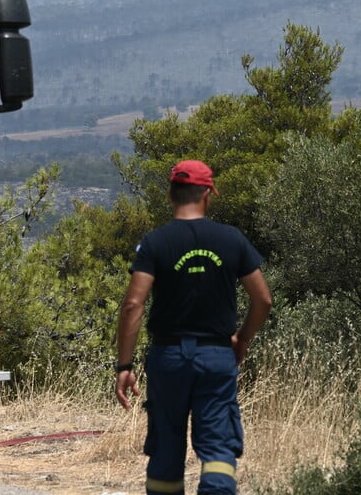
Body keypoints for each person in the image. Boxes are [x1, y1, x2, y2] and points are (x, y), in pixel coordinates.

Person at [115, 160, 273, 495]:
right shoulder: (231, 240)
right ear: (207, 195)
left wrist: (124, 365)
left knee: (166, 449)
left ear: (171, 194)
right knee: (218, 450)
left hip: (168, 357)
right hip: (217, 356)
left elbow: (133, 305)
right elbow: (263, 300)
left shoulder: (155, 242)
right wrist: (242, 339)